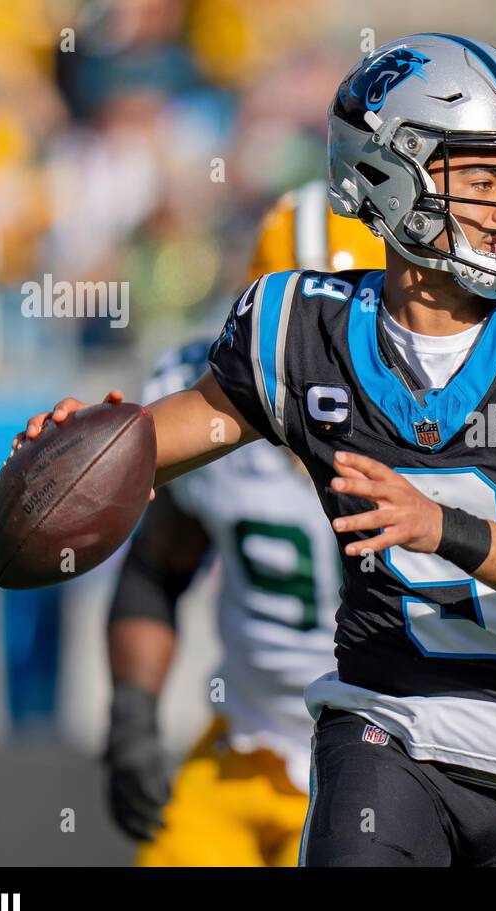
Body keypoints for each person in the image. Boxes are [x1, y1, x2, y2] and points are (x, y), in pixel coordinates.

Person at [15, 34, 496, 867]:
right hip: (385, 719)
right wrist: (84, 446)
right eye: (480, 177)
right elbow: (166, 443)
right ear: (389, 178)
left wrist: (443, 529)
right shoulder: (301, 328)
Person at [102, 181, 383, 865]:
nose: (323, 353)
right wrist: (133, 712)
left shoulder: (437, 425)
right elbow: (158, 566)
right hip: (246, 742)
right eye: (302, 322)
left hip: (382, 762)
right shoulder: (212, 412)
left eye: (345, 322)